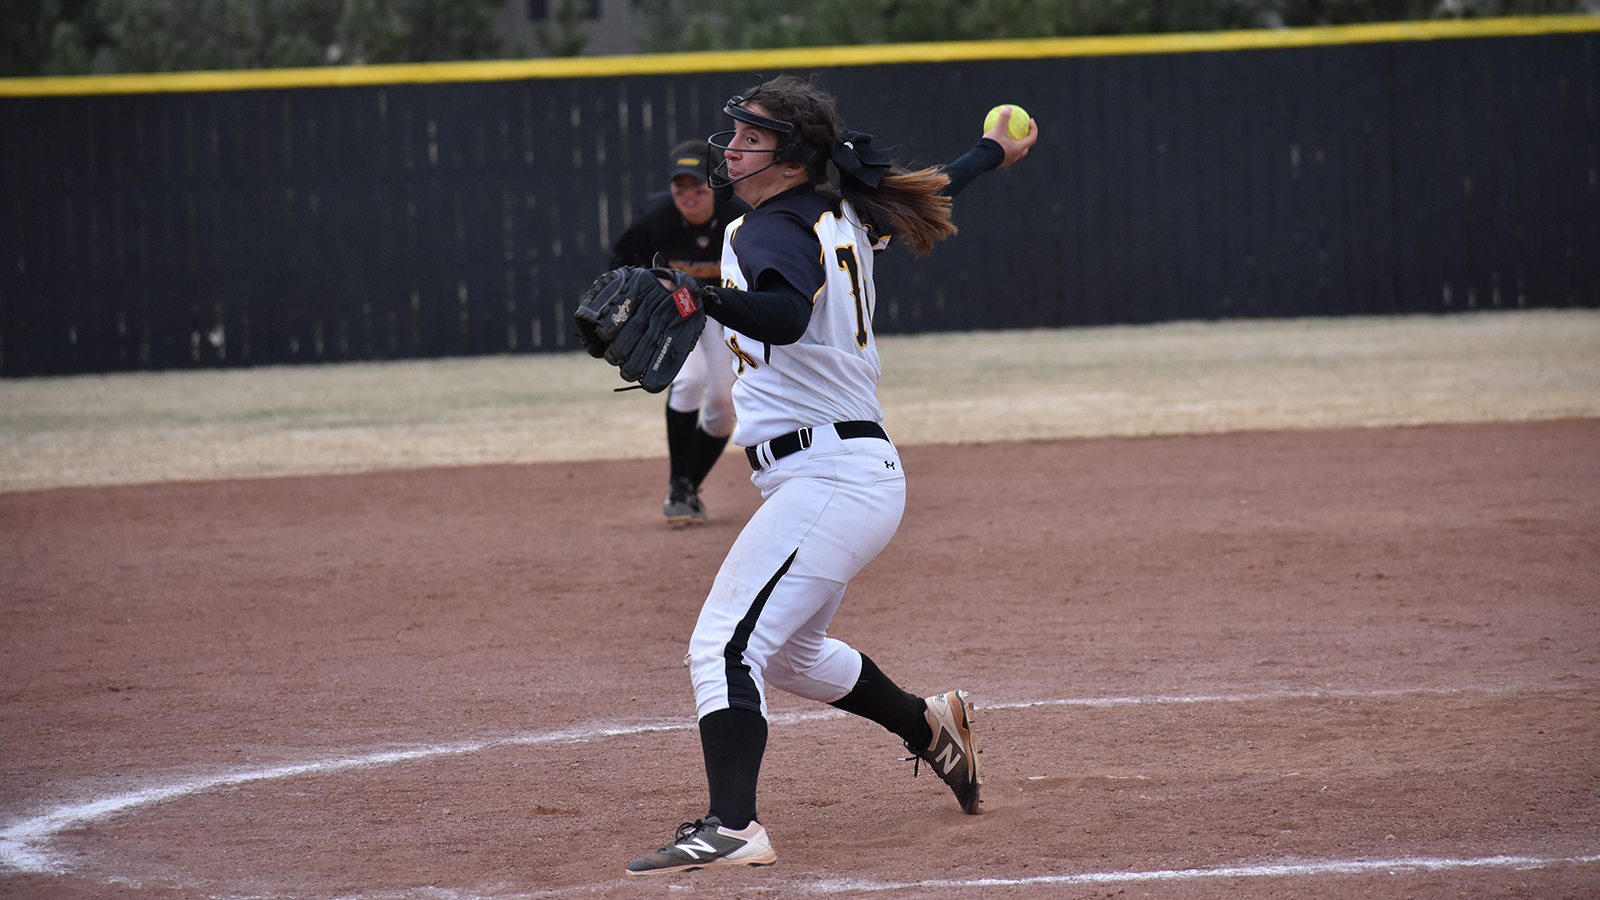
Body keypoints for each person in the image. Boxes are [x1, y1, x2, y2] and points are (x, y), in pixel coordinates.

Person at [623, 77, 1037, 876]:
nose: (732, 148)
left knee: (723, 646)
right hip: (837, 473)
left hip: (832, 474)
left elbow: (781, 314)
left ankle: (733, 826)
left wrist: (697, 296)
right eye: (735, 134)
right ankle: (929, 726)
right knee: (789, 652)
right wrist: (994, 151)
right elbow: (936, 184)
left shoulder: (765, 228)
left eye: (750, 138)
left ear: (790, 157)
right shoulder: (840, 211)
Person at [611, 140, 751, 527]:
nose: (688, 196)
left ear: (715, 186)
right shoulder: (655, 219)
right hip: (676, 316)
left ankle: (688, 486)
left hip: (724, 316)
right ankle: (677, 487)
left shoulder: (739, 217)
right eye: (680, 188)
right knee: (688, 380)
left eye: (698, 187)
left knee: (724, 407)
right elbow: (622, 267)